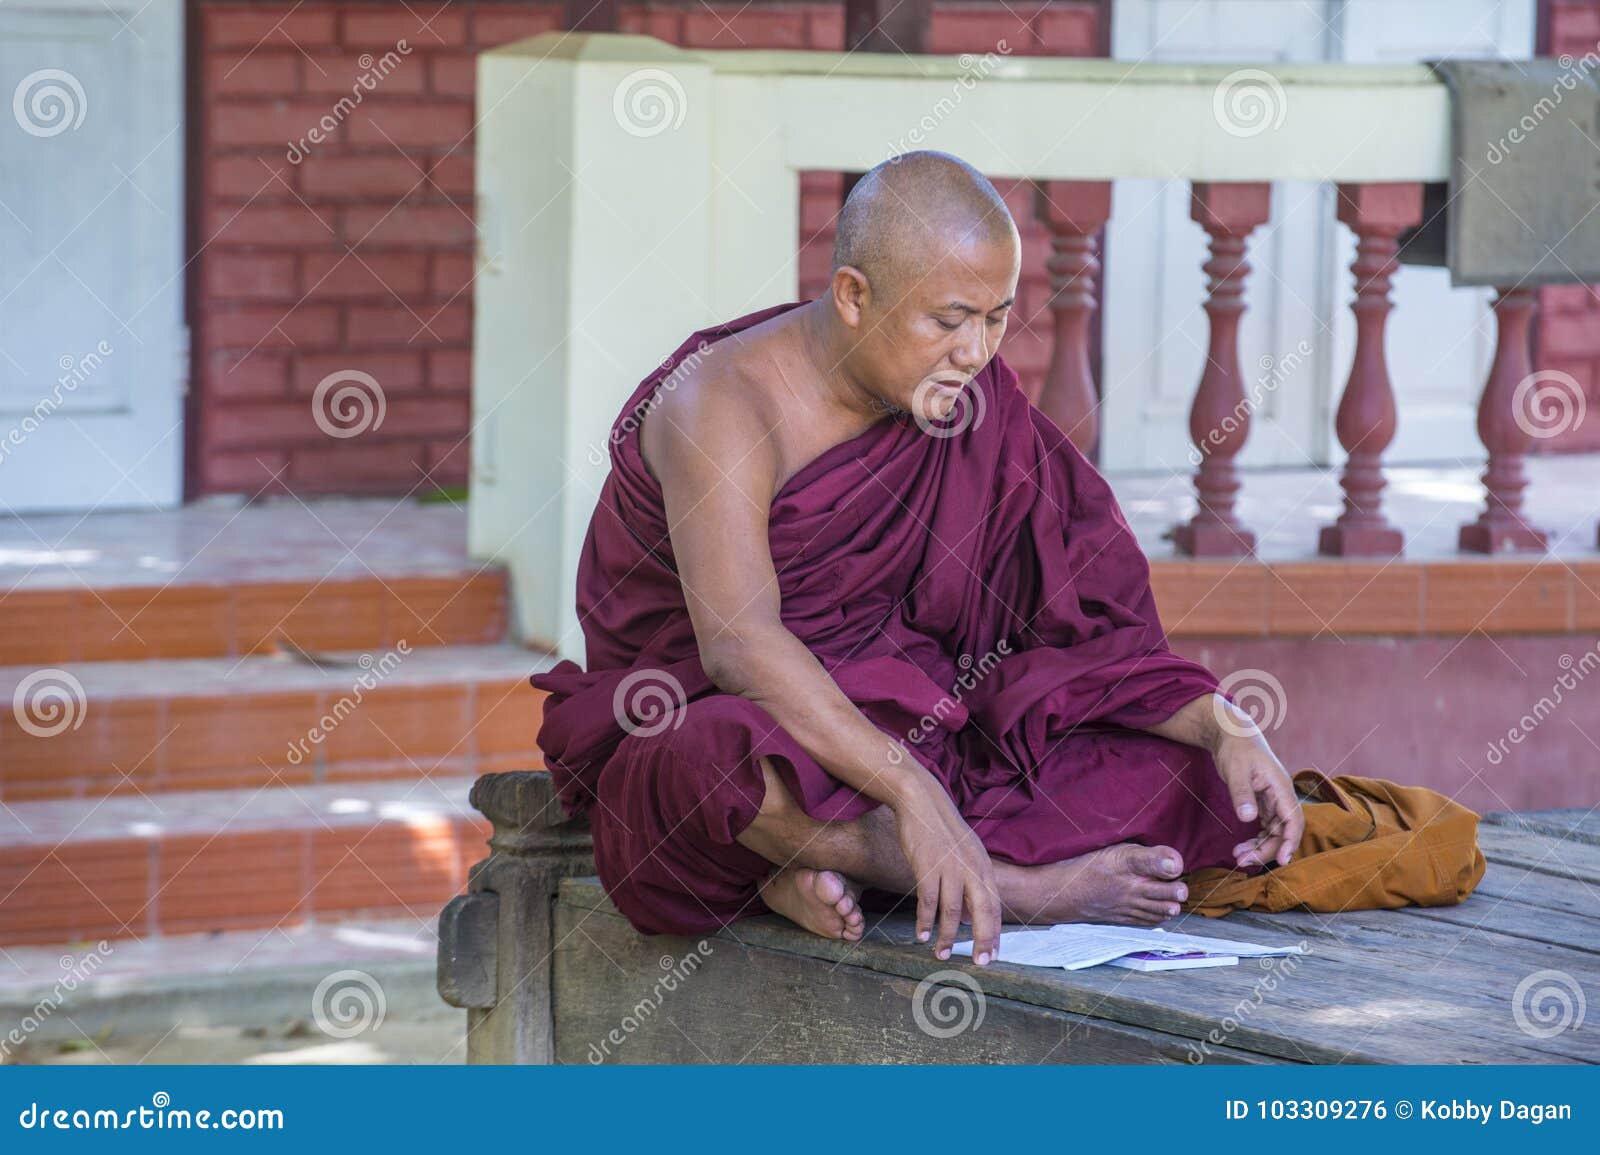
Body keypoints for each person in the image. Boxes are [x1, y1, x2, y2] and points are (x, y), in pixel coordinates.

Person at [532, 150, 1304, 968]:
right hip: (760, 717)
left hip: (924, 719)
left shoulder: (970, 405)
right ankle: (1017, 888)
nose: (976, 351)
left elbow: (1082, 621)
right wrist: (912, 791)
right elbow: (740, 647)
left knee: (1186, 779)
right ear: (853, 296)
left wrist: (1224, 724)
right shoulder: (721, 403)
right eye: (949, 319)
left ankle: (809, 865)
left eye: (996, 318)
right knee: (702, 766)